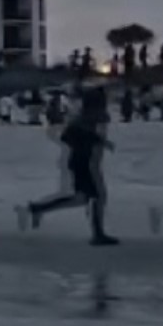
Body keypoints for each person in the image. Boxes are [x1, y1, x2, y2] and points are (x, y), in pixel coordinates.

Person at [18, 86, 118, 245]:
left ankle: (39, 208)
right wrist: (98, 141)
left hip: (83, 161)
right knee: (97, 197)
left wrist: (96, 143)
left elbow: (69, 136)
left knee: (83, 198)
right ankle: (98, 234)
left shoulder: (86, 117)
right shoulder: (93, 117)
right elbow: (69, 136)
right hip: (87, 162)